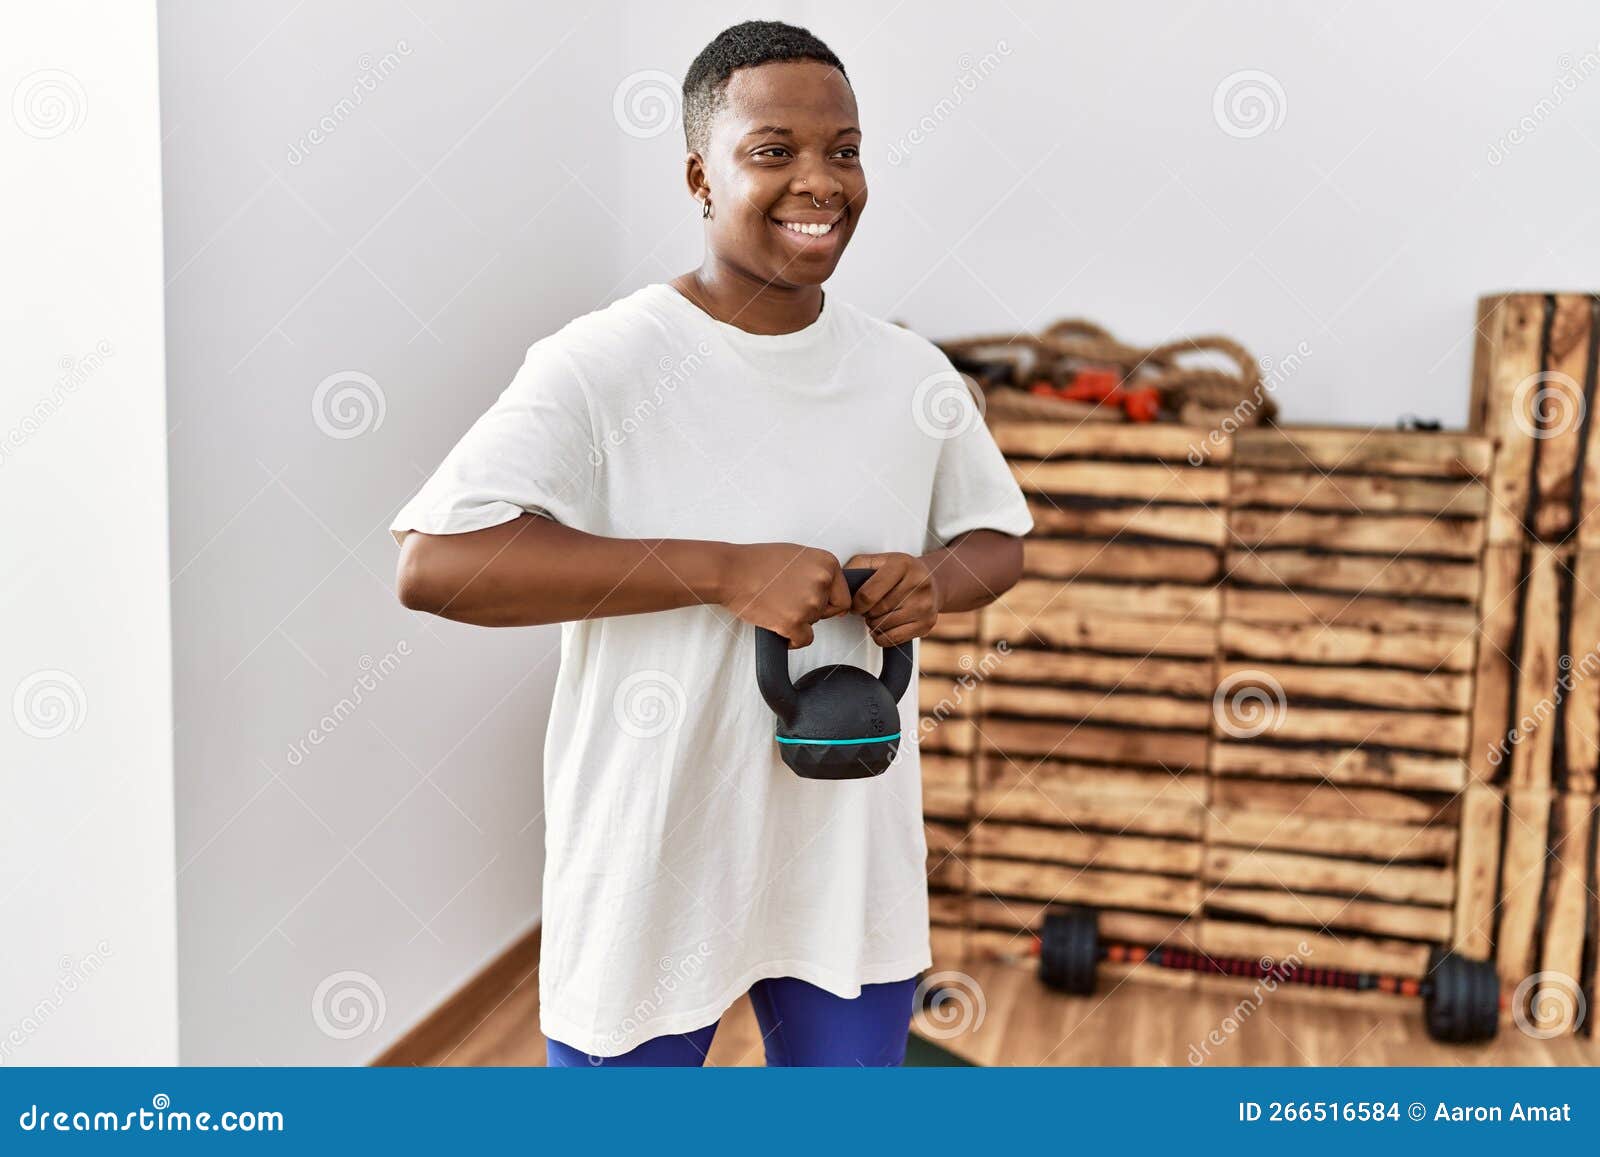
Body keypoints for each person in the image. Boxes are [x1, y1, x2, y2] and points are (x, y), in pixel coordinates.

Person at [390, 19, 1031, 1067]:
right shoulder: (604, 362)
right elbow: (436, 562)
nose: (819, 181)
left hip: (848, 863)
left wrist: (936, 583)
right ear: (700, 174)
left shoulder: (911, 374)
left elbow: (998, 538)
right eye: (772, 151)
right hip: (650, 865)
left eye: (844, 150)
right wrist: (720, 569)